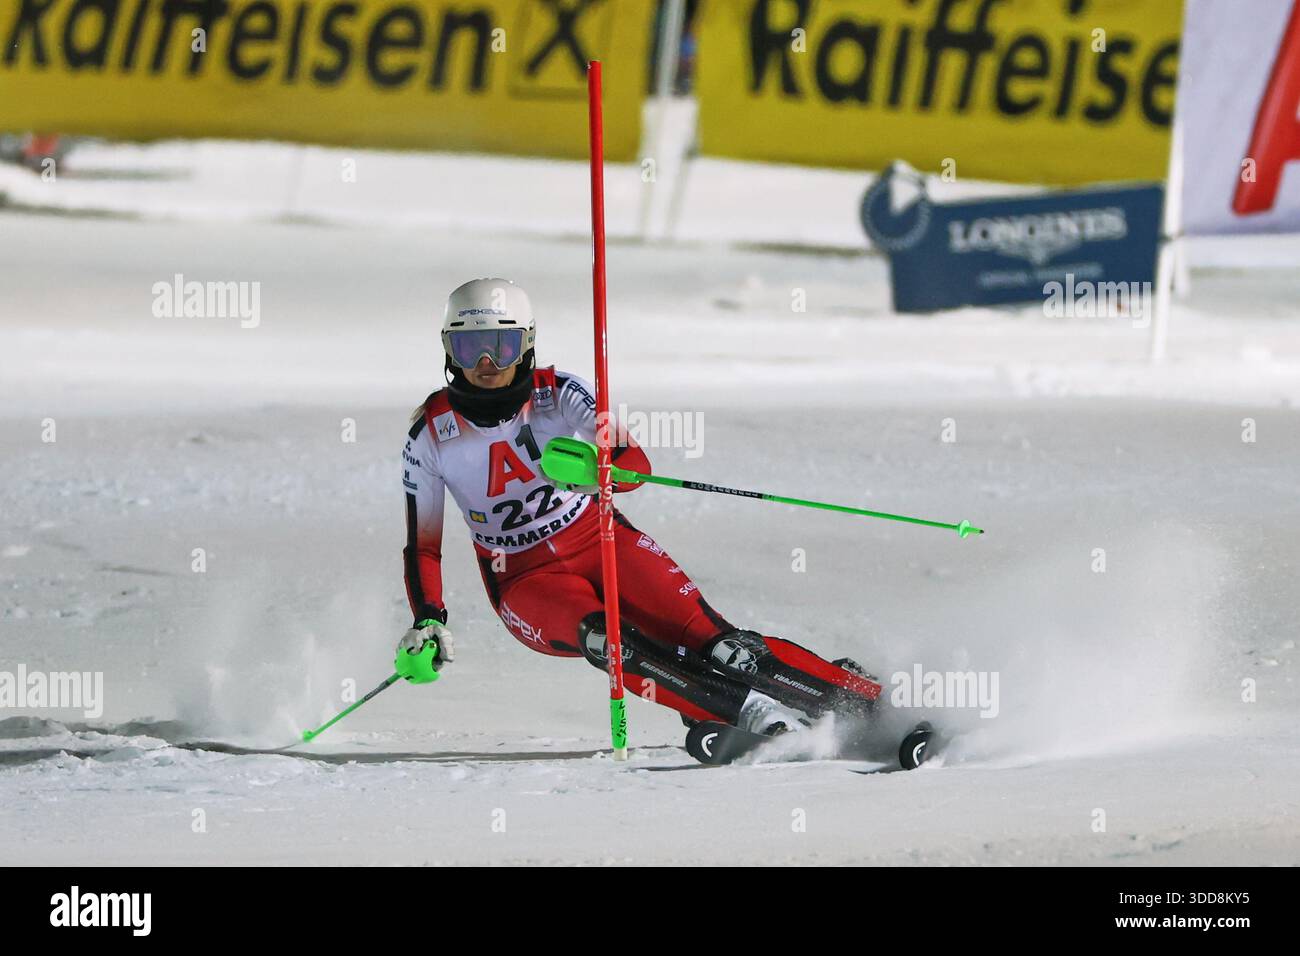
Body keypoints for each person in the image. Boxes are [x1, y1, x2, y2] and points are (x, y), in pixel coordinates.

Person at [398, 278, 880, 737]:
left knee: (725, 647)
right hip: (524, 579)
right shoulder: (429, 435)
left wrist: (603, 468)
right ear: (448, 349)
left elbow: (636, 463)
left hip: (598, 539)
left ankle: (863, 700)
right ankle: (753, 716)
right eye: (468, 347)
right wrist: (429, 619)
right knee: (612, 645)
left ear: (525, 343)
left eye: (500, 346)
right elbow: (423, 547)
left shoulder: (560, 393)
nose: (485, 361)